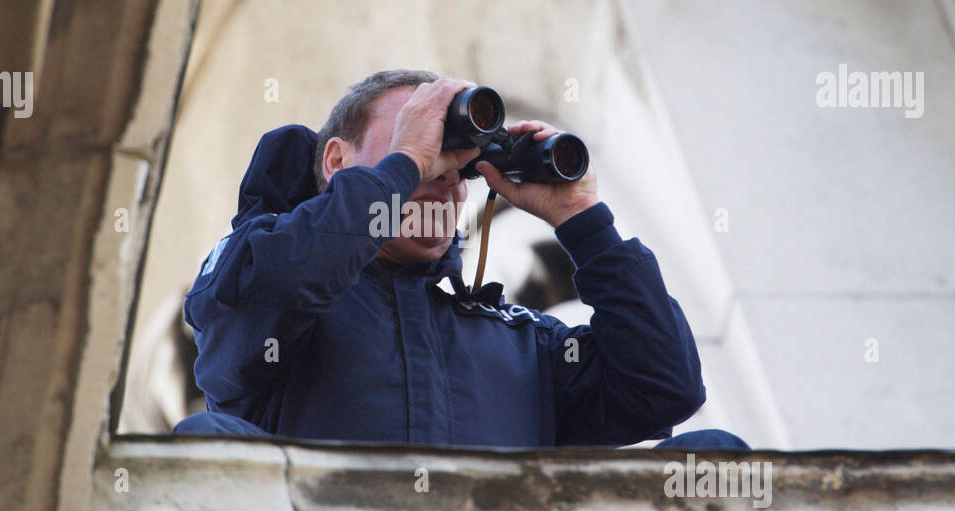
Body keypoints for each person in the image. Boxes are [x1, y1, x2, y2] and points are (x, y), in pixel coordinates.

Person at [178, 69, 747, 450]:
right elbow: (270, 285)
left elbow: (665, 387)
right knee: (201, 439)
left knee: (712, 458)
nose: (442, 175)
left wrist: (581, 218)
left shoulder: (521, 341)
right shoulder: (265, 280)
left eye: (456, 164)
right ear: (336, 160)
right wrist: (405, 165)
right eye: (417, 142)